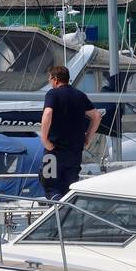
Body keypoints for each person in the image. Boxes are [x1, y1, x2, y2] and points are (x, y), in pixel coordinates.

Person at [39, 65, 102, 200]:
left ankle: (57, 217)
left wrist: (44, 140)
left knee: (50, 187)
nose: (50, 82)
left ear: (55, 79)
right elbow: (96, 116)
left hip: (54, 151)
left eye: (50, 79)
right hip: (75, 153)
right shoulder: (80, 95)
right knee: (69, 189)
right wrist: (88, 138)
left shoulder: (52, 94)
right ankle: (67, 216)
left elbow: (48, 113)